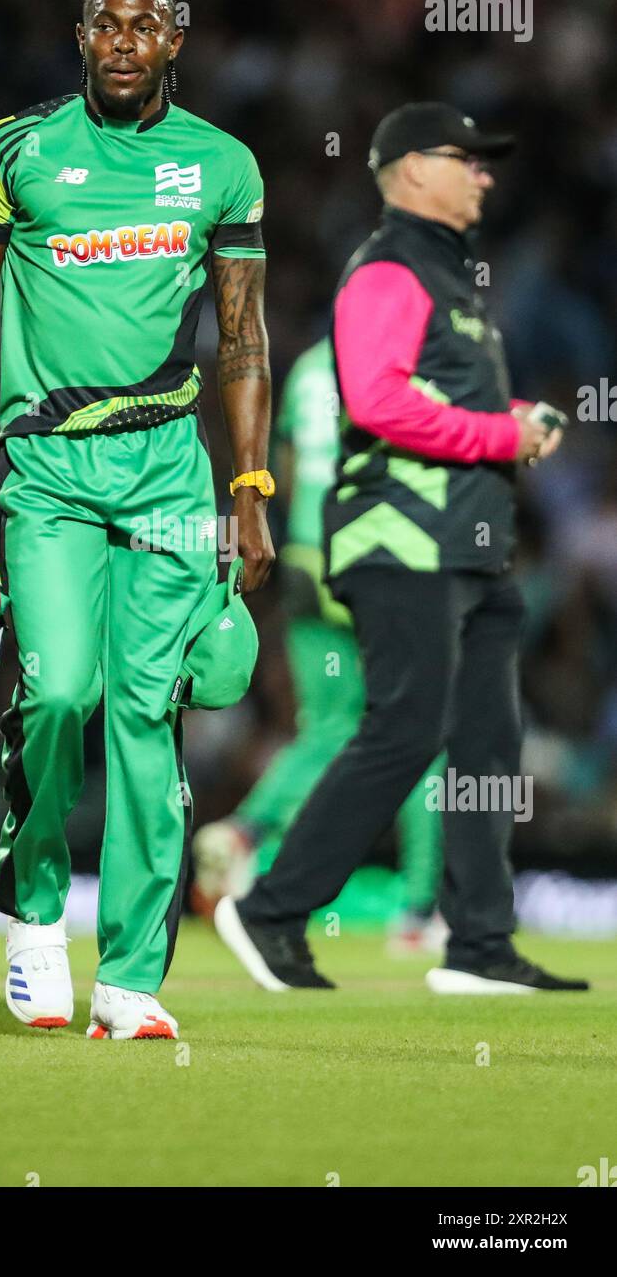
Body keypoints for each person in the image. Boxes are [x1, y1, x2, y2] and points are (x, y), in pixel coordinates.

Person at [0, 0, 274, 1040]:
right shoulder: (12, 150)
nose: (122, 41)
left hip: (167, 470)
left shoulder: (220, 166)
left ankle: (129, 974)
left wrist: (249, 485)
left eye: (143, 25)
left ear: (176, 39)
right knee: (60, 691)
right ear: (78, 37)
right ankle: (30, 910)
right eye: (104, 25)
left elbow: (242, 334)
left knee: (146, 714)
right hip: (51, 474)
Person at [215, 102, 589, 995]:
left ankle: (477, 942)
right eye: (469, 159)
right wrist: (504, 432)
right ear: (414, 168)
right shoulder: (389, 268)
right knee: (404, 728)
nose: (486, 175)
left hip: (465, 547)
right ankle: (269, 909)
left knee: (488, 741)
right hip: (400, 538)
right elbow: (379, 403)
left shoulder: (449, 277)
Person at [192, 338, 445, 952]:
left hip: (304, 555)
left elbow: (285, 453)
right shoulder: (397, 361)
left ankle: (247, 830)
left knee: (330, 729)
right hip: (369, 552)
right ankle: (420, 910)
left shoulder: (308, 364)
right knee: (420, 730)